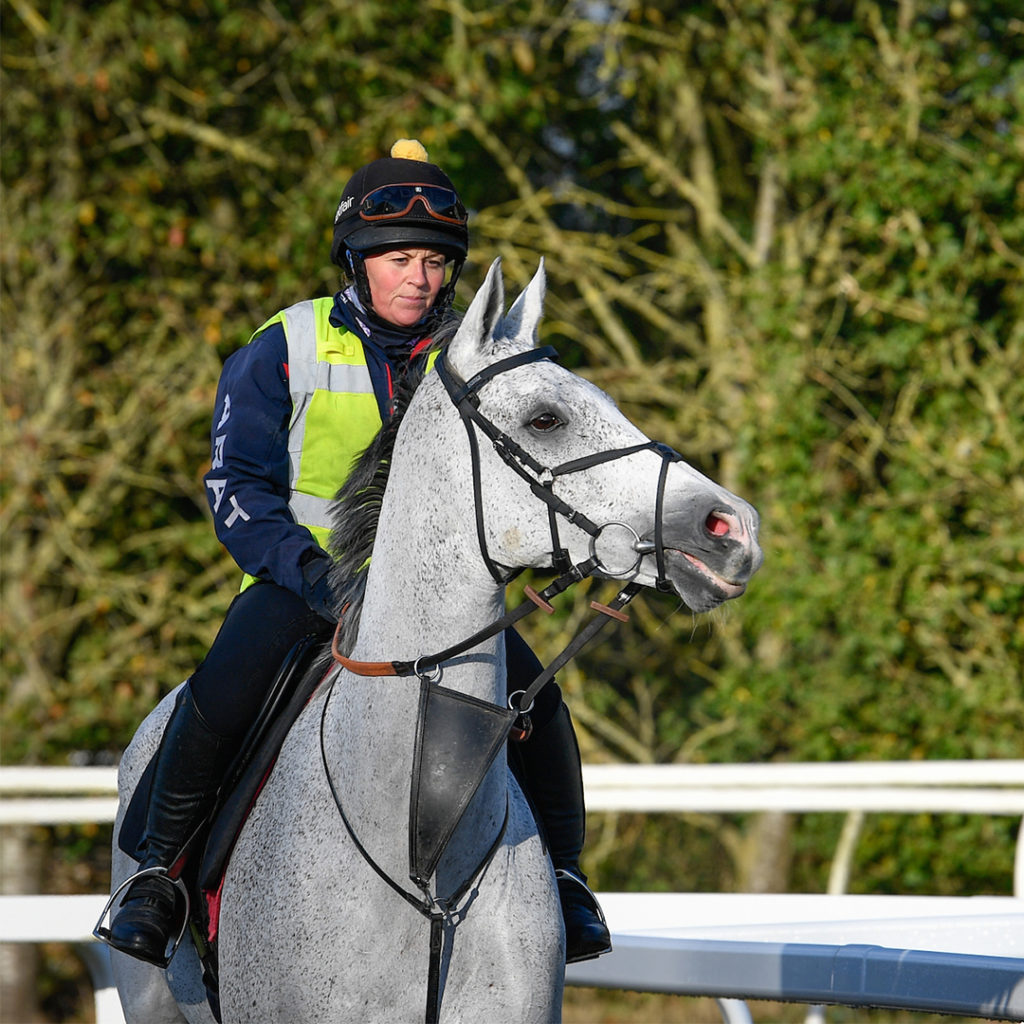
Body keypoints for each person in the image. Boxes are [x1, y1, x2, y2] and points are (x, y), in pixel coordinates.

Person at [105, 140, 611, 967]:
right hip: (299, 586)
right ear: (357, 260)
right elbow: (236, 485)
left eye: (435, 261)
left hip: (439, 604)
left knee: (538, 703)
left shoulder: (475, 361)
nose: (418, 276)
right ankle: (158, 875)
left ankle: (563, 877)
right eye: (398, 258)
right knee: (225, 688)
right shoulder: (283, 346)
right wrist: (313, 574)